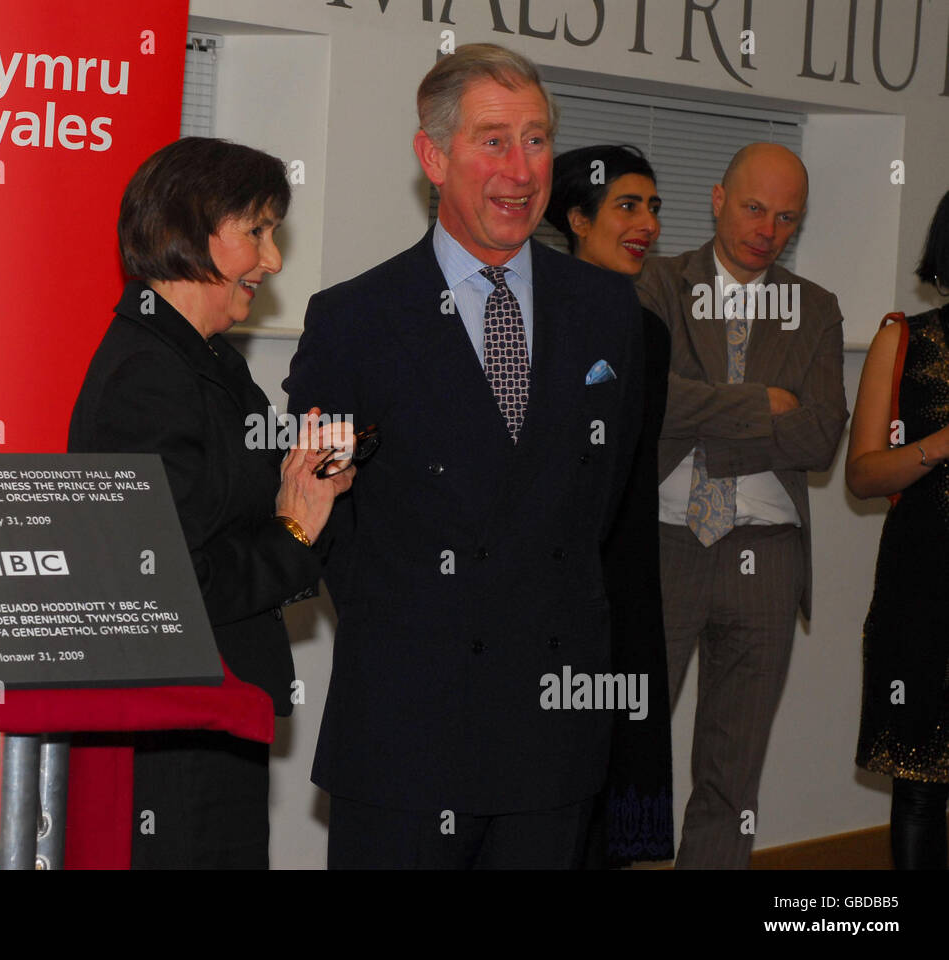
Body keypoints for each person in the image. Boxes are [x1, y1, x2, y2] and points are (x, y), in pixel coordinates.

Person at [284, 43, 645, 869]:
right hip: (409, 730)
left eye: (537, 138)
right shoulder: (356, 320)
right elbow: (322, 512)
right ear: (433, 156)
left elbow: (601, 495)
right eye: (493, 140)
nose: (521, 170)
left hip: (551, 734)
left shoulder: (606, 311)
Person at [68, 137, 355, 868]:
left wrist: (306, 483)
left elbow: (233, 510)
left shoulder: (204, 360)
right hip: (174, 726)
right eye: (257, 233)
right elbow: (169, 585)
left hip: (212, 713)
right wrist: (294, 531)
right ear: (193, 231)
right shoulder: (149, 377)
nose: (274, 261)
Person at [636, 142, 848, 868]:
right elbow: (646, 400)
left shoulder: (815, 309)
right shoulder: (654, 284)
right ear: (719, 198)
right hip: (661, 548)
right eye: (756, 208)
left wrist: (712, 432)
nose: (769, 229)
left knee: (734, 775)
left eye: (788, 217)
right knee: (626, 751)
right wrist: (761, 405)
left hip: (769, 552)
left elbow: (821, 436)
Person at [545, 144, 674, 866]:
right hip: (544, 577)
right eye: (628, 205)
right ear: (575, 217)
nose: (647, 223)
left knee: (611, 768)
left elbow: (627, 469)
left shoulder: (646, 330)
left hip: (622, 572)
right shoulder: (530, 317)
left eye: (654, 207)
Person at [845, 189, 949, 870]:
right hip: (924, 593)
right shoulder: (902, 338)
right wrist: (942, 443)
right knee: (918, 785)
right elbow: (862, 475)